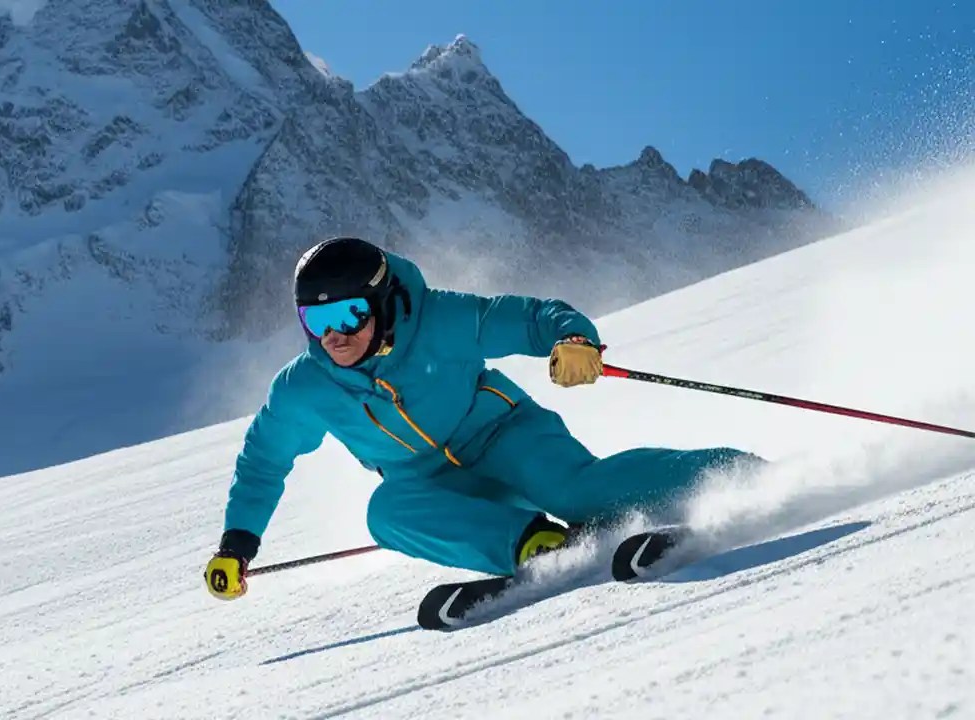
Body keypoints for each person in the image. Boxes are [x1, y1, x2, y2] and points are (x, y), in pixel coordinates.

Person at [203, 237, 759, 600]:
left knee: (578, 492)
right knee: (386, 513)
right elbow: (263, 461)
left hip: (506, 436)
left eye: (348, 313)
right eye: (315, 318)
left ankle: (737, 473)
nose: (334, 335)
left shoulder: (439, 319)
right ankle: (536, 546)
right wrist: (237, 545)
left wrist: (572, 338)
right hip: (436, 484)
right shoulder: (306, 386)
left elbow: (530, 317)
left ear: (384, 301)